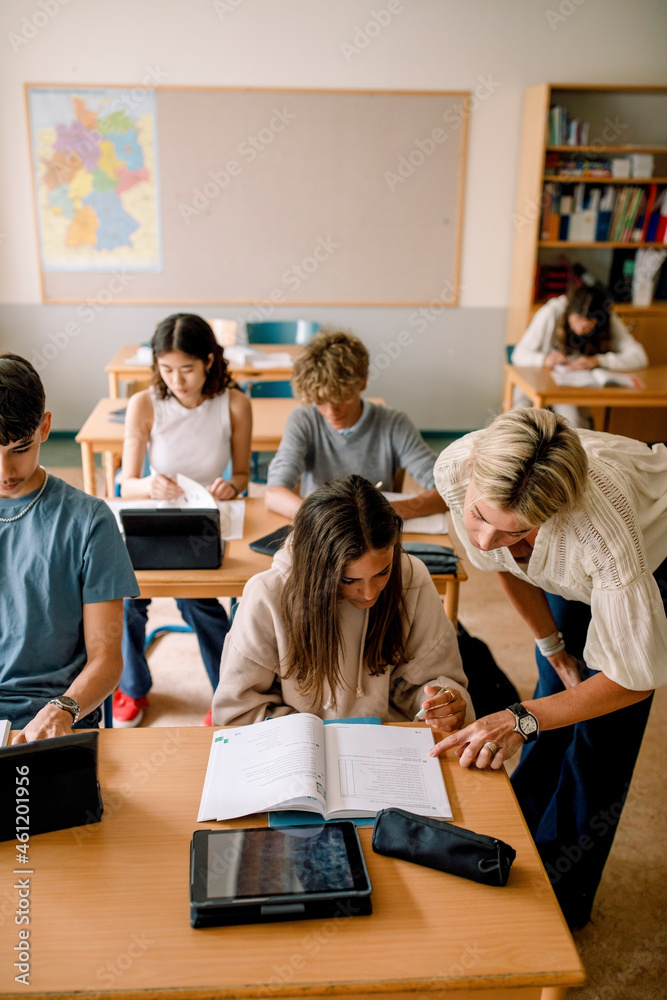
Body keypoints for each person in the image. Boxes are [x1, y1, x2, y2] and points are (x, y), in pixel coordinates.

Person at [430, 408, 667, 928]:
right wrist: (550, 643)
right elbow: (509, 562)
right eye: (478, 516)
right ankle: (518, 839)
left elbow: (633, 681)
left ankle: (559, 902)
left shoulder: (602, 534)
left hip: (653, 552)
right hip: (573, 559)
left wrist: (520, 717)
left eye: (512, 528)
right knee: (550, 692)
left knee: (598, 734)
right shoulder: (455, 468)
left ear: (550, 516)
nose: (485, 538)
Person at [212, 475, 471, 727]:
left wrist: (441, 703)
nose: (370, 593)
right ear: (317, 570)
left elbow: (434, 681)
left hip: (387, 744)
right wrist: (306, 734)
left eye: (382, 572)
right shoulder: (267, 595)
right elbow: (238, 712)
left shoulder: (411, 576)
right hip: (296, 747)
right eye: (349, 580)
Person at [114, 313, 252, 728]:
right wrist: (150, 486)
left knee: (202, 602)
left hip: (204, 520)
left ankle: (224, 693)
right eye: (167, 369)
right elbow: (126, 483)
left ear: (209, 360)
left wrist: (232, 486)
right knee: (125, 602)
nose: (177, 380)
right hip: (154, 519)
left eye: (187, 369)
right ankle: (132, 687)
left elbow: (243, 476)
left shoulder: (235, 403)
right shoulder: (144, 404)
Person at [0, 354, 139, 742]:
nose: (4, 472)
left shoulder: (90, 520)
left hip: (51, 715)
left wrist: (66, 707)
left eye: (19, 449)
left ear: (44, 427)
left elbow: (106, 659)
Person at [265, 330, 448, 521]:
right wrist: (320, 519)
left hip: (375, 533)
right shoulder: (303, 420)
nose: (331, 412)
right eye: (320, 402)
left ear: (362, 382)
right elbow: (273, 494)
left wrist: (384, 512)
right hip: (322, 529)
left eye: (341, 398)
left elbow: (446, 491)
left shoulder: (394, 424)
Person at [511, 286, 648, 427]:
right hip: (539, 383)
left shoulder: (606, 318)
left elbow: (639, 356)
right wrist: (545, 359)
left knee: (573, 422)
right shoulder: (551, 313)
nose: (580, 328)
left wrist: (598, 360)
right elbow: (519, 354)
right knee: (523, 418)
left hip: (569, 387)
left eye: (588, 323)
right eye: (577, 319)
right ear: (569, 311)